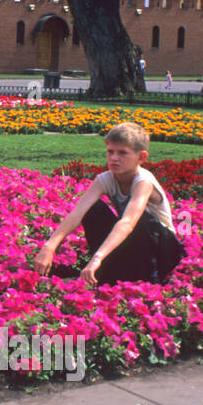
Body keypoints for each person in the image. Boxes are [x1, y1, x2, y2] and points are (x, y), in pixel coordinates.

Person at [32, 122, 184, 286]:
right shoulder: (105, 179)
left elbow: (128, 223)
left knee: (139, 219)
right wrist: (49, 246)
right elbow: (77, 213)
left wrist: (97, 258)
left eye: (122, 153)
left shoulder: (144, 182)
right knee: (93, 209)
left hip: (163, 251)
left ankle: (151, 280)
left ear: (141, 157)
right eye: (110, 152)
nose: (114, 158)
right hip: (134, 247)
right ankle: (106, 273)